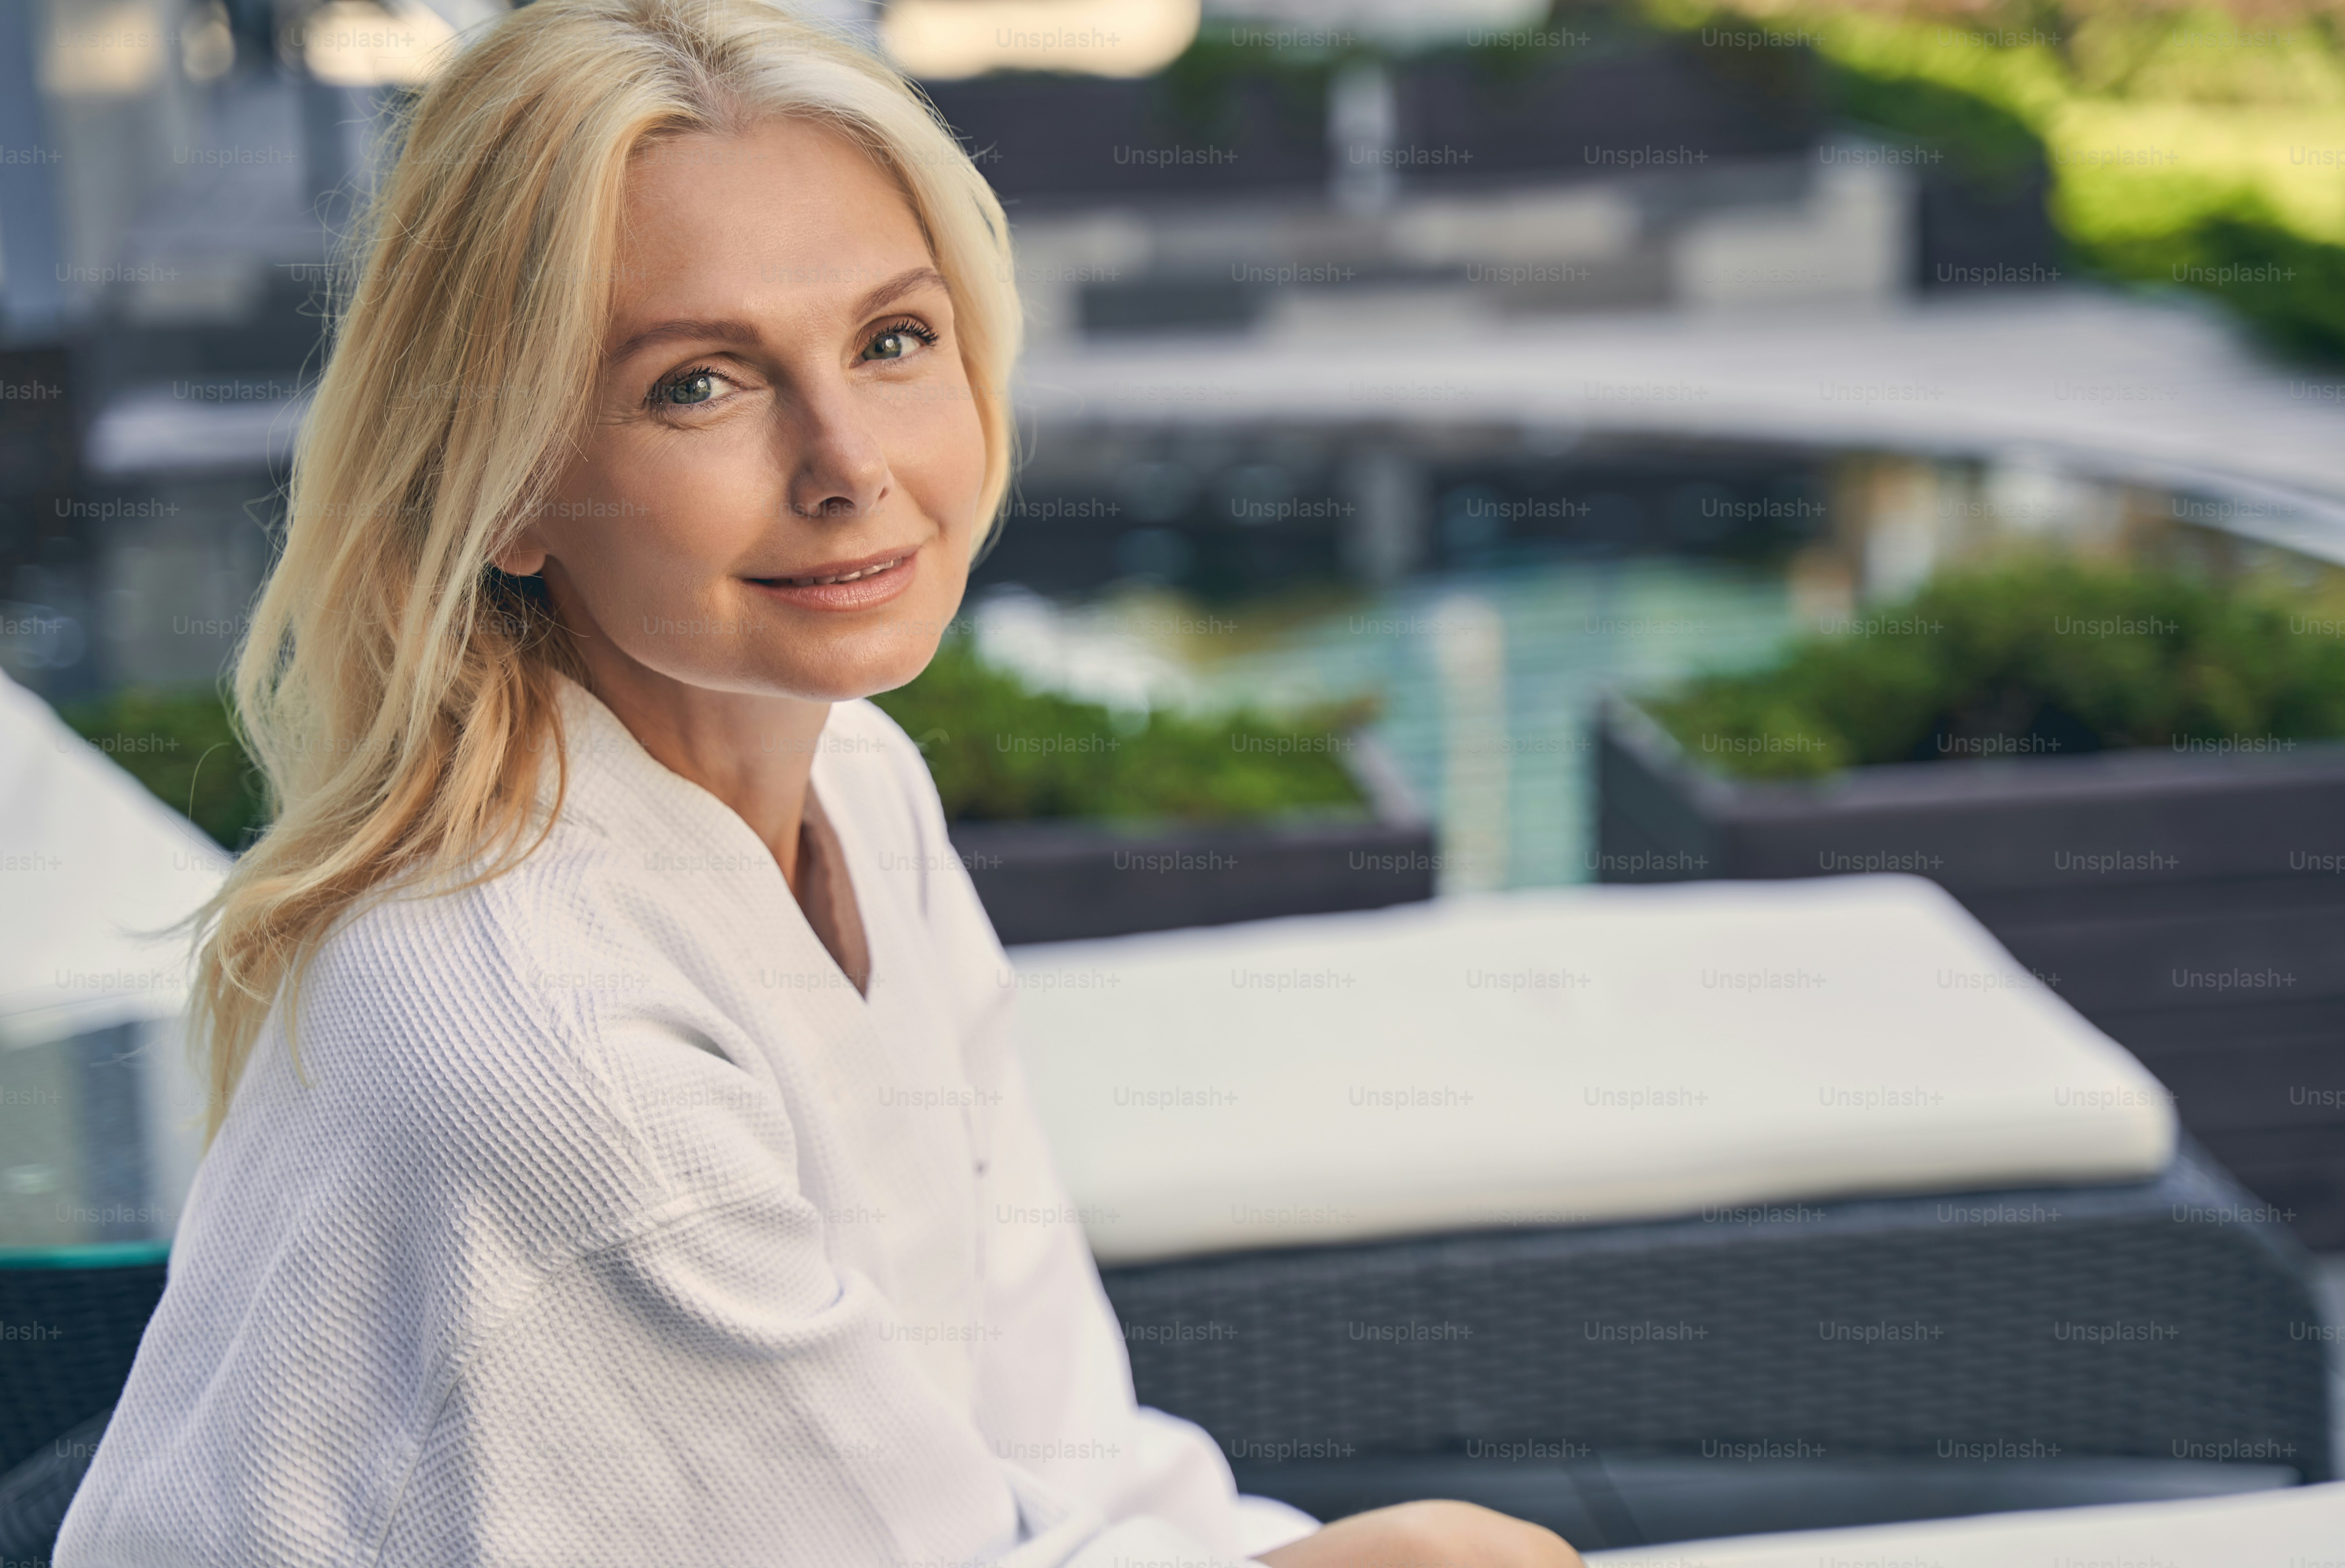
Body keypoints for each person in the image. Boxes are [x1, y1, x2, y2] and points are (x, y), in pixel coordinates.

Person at [55, 3, 1581, 1564]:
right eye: (700, 384)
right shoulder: (556, 1054)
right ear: (503, 487)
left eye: (893, 340)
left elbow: (1056, 1435)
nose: (848, 459)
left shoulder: (855, 780)